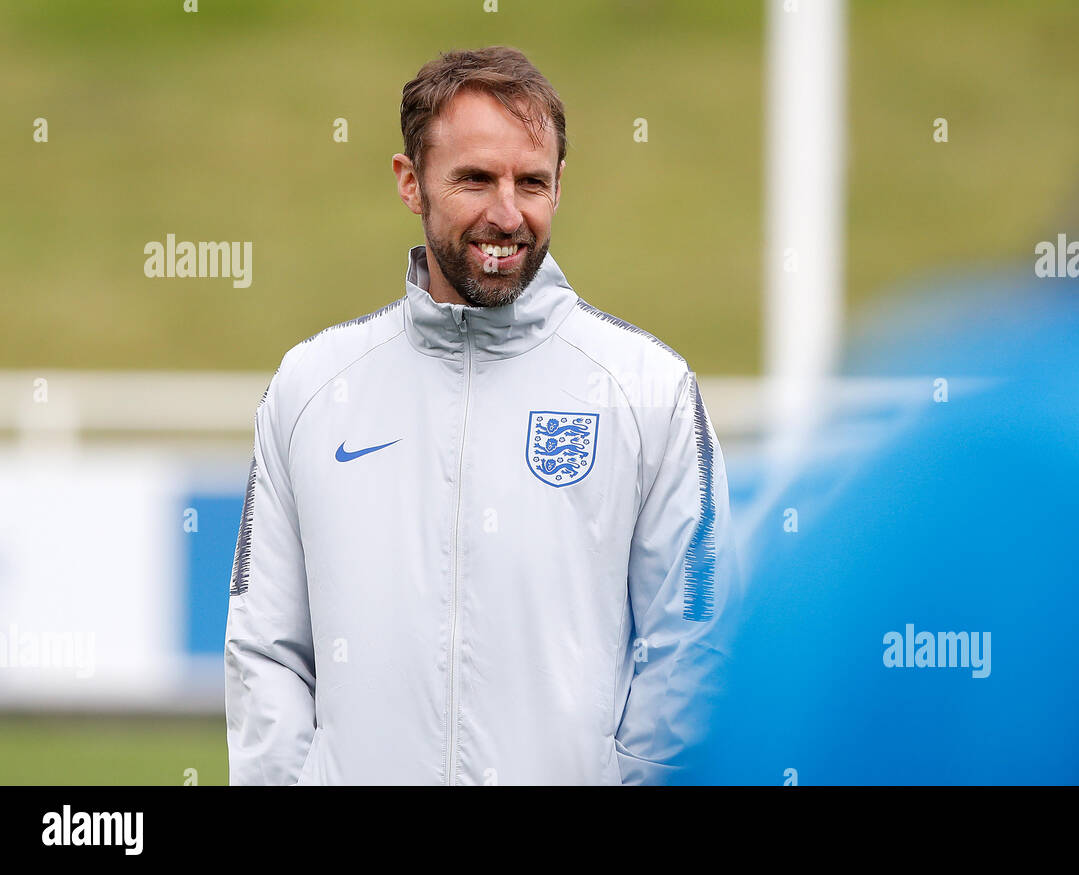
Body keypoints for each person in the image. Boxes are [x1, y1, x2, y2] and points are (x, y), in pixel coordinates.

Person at [224, 46, 738, 785]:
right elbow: (266, 647)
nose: (506, 213)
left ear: (559, 187)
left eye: (531, 181)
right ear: (411, 183)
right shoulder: (311, 388)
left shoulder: (647, 388)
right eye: (475, 178)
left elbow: (696, 638)